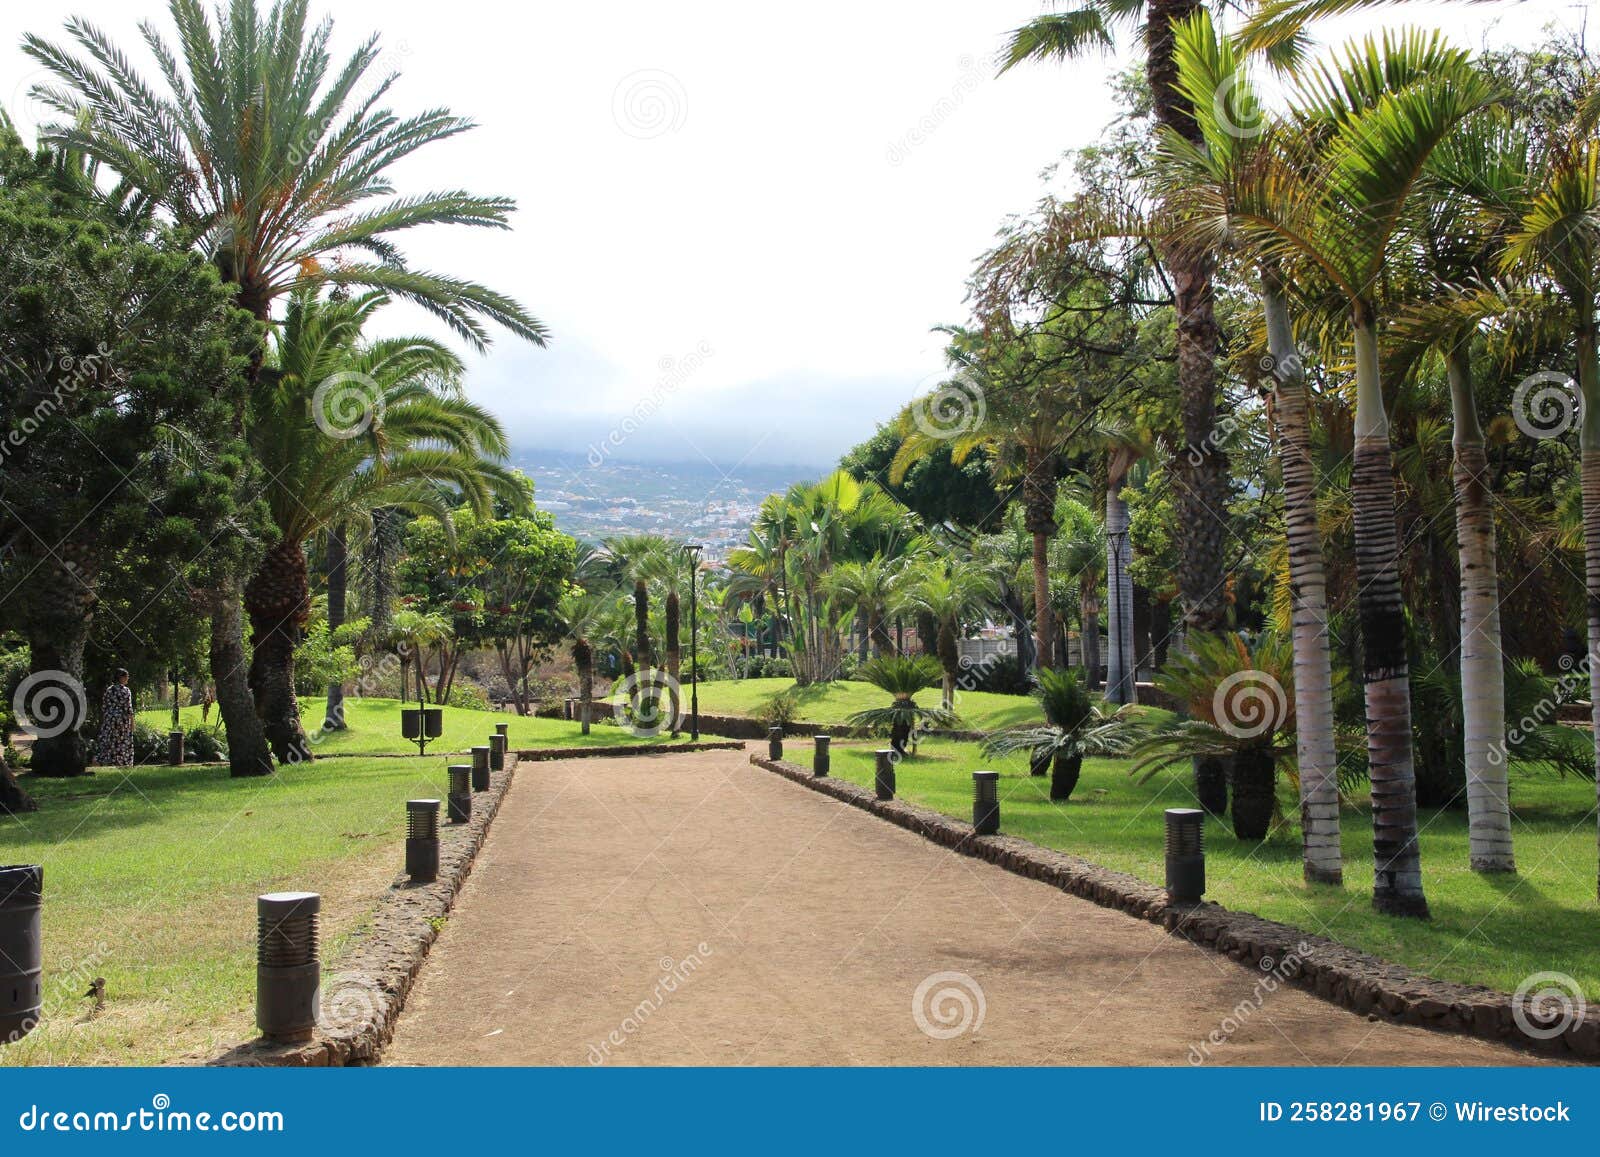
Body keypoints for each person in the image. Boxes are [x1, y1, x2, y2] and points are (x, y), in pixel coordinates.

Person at [93, 668, 135, 767]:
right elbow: (128, 707)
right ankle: (122, 762)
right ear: (121, 677)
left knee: (110, 740)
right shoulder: (125, 690)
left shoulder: (109, 690)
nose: (127, 679)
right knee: (122, 741)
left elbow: (104, 706)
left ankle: (105, 760)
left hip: (109, 719)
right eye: (126, 677)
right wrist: (132, 722)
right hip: (121, 720)